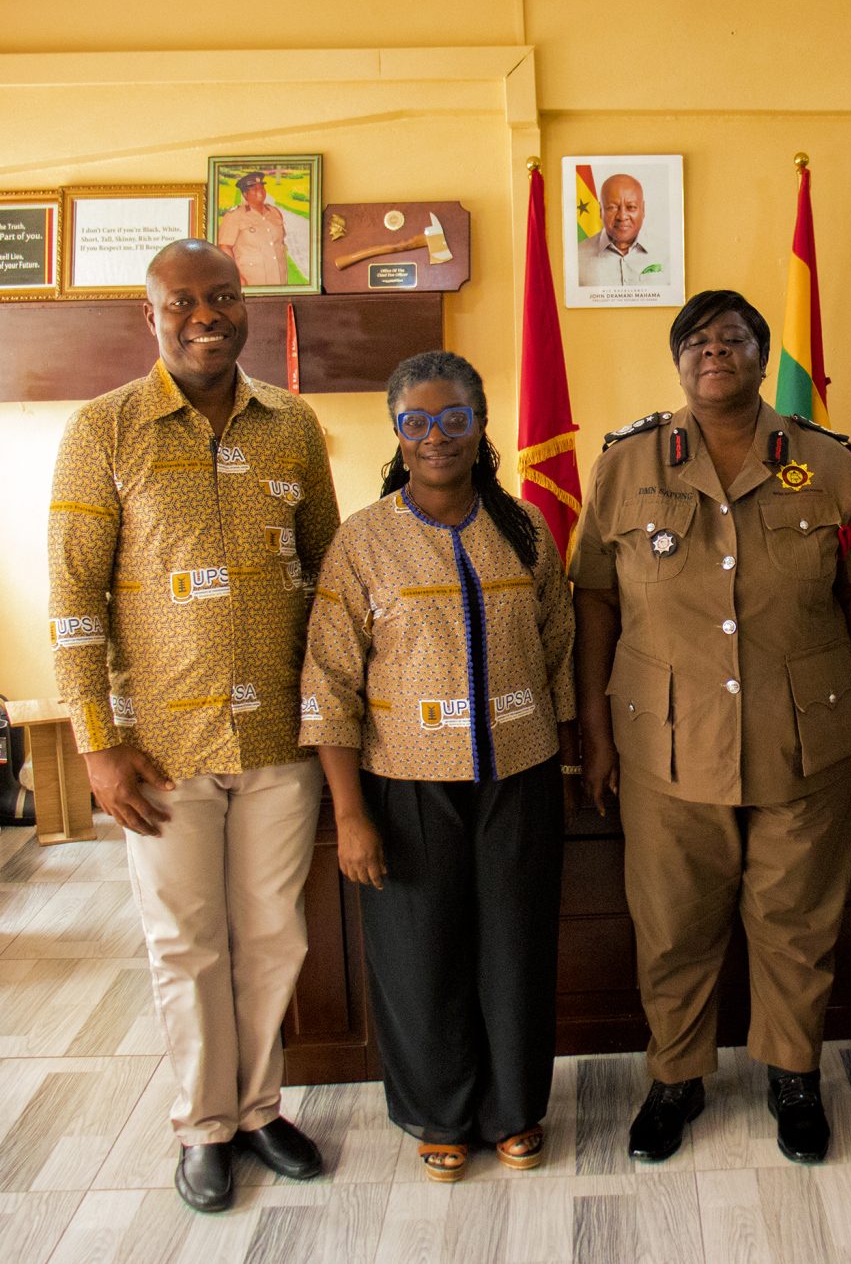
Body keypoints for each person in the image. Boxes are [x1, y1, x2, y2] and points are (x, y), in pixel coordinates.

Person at [46, 237, 340, 1212]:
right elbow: (74, 598)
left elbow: (330, 581)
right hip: (159, 749)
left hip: (281, 741)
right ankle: (202, 1125)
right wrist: (96, 744)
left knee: (272, 938)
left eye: (221, 297)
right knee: (184, 941)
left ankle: (257, 1108)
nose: (205, 316)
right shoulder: (104, 430)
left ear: (245, 305)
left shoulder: (291, 427)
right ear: (152, 316)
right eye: (182, 303)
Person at [570, 289, 851, 1166]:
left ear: (762, 354)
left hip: (806, 735)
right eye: (699, 341)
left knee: (796, 921)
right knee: (672, 922)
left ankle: (794, 1076)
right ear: (678, 362)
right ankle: (675, 1077)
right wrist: (593, 729)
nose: (717, 352)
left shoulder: (829, 462)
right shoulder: (627, 463)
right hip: (664, 739)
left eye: (736, 339)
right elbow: (594, 596)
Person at [300, 351, 575, 1184]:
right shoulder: (363, 541)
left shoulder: (525, 527)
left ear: (481, 422)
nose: (436, 436)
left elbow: (559, 646)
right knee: (422, 957)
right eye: (416, 421)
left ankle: (514, 1108)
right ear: (397, 432)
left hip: (520, 777)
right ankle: (441, 1112)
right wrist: (350, 813)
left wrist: (574, 752)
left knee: (516, 950)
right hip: (406, 786)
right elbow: (328, 681)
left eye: (454, 417)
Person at [576, 173, 663, 286]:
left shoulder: (666, 254)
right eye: (612, 207)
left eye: (631, 207)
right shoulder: (578, 257)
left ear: (643, 209)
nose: (622, 216)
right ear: (600, 210)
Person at [217, 171, 290, 287]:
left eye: (261, 187)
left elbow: (279, 243)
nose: (260, 190)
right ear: (245, 194)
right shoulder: (234, 216)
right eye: (254, 188)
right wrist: (237, 277)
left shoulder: (274, 213)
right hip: (251, 281)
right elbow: (224, 247)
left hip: (279, 278)